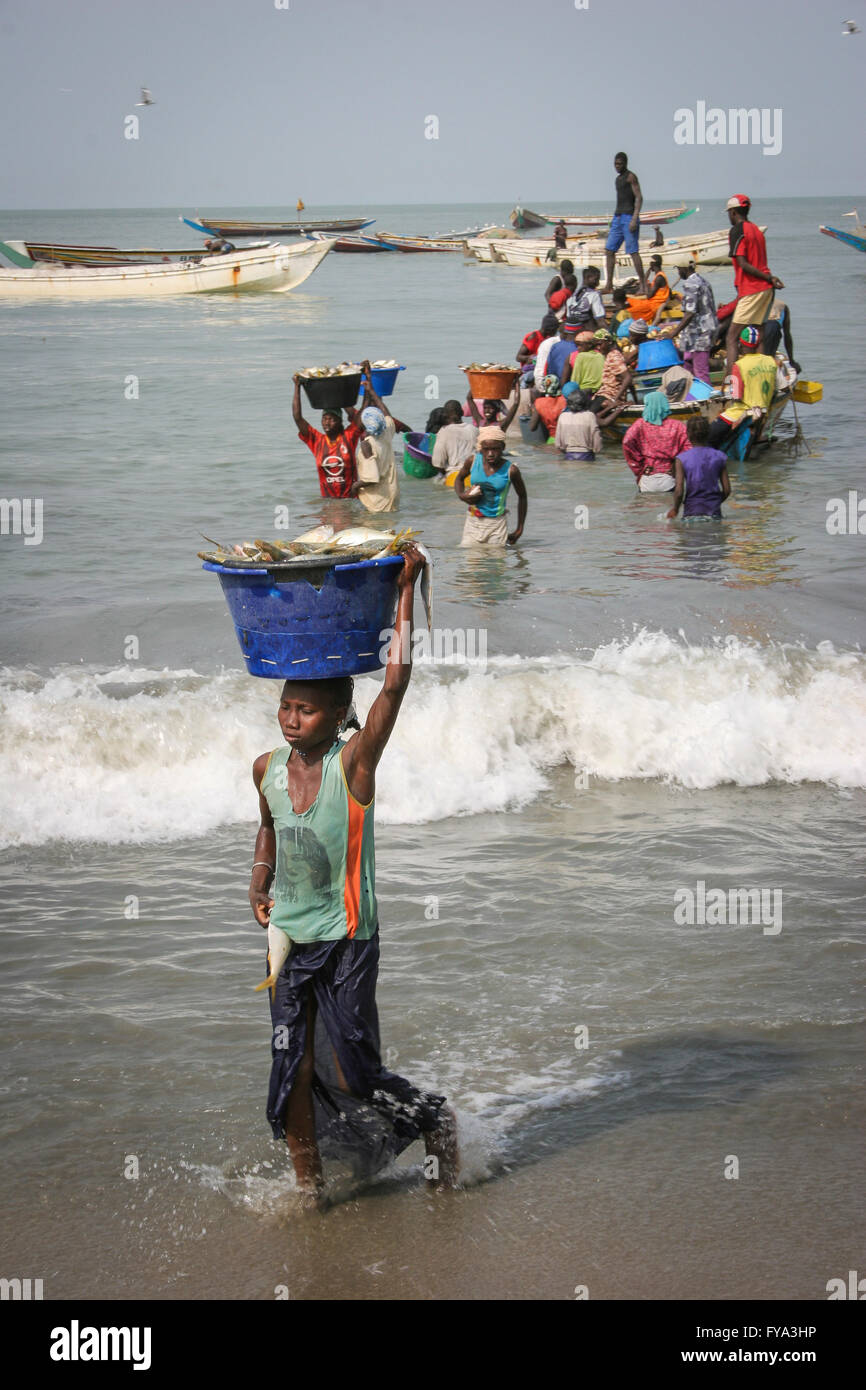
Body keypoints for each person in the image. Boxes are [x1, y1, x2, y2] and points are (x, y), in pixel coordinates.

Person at [249, 553, 459, 1206]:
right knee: (294, 1070)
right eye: (286, 706)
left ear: (340, 717)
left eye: (306, 710)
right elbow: (267, 829)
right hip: (288, 941)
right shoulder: (263, 768)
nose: (291, 718)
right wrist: (258, 883)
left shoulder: (355, 766)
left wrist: (402, 595)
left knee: (358, 1070)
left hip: (347, 940)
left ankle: (435, 1119)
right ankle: (309, 1189)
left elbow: (393, 686)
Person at [725, 194, 784, 372]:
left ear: (733, 212)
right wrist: (769, 279)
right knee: (759, 335)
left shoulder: (738, 230)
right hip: (766, 289)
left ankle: (730, 383)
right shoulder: (756, 230)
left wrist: (768, 278)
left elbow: (743, 263)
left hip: (753, 288)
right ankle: (762, 375)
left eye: (729, 213)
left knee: (732, 337)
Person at [293, 370, 364, 499]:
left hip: (350, 501)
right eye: (324, 418)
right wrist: (297, 387)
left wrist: (367, 385)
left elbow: (361, 417)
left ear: (339, 421)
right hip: (328, 502)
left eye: (331, 419)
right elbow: (298, 418)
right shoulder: (316, 441)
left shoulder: (348, 437)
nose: (327, 423)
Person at [455, 425, 527, 546]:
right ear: (481, 449)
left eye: (495, 449)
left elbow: (523, 496)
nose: (490, 454)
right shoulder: (472, 462)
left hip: (497, 525)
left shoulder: (511, 470)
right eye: (486, 449)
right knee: (471, 561)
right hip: (473, 522)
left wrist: (519, 529)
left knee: (496, 563)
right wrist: (462, 495)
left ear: (503, 448)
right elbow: (459, 479)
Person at [709, 325, 778, 450]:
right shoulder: (771, 361)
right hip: (762, 411)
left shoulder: (739, 365)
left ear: (741, 344)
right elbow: (775, 389)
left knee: (709, 435)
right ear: (758, 344)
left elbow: (736, 396)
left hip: (742, 412)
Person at [351, 384, 411, 513]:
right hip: (392, 494)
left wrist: (355, 486)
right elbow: (387, 415)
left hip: (377, 501)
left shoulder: (367, 445)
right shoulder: (387, 433)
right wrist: (372, 391)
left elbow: (371, 478)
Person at [660, 262, 718, 383]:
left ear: (684, 268)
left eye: (679, 269)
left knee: (700, 371)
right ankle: (691, 397)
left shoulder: (691, 284)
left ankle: (705, 399)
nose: (678, 273)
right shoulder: (703, 281)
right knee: (688, 369)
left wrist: (673, 333)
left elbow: (690, 313)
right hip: (698, 332)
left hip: (699, 333)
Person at [622, 390, 689, 492]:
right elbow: (688, 448)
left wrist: (638, 466)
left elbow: (627, 442)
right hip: (670, 477)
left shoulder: (640, 425)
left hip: (647, 477)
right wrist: (677, 466)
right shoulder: (678, 426)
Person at [667, 415, 731, 520]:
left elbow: (679, 492)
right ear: (708, 433)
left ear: (688, 434)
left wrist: (676, 509)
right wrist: (714, 503)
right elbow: (727, 490)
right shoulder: (720, 456)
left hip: (691, 512)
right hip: (714, 513)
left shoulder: (681, 459)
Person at [603, 152, 645, 294]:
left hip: (629, 217)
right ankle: (609, 284)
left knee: (633, 251)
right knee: (609, 250)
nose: (617, 166)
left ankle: (643, 285)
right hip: (618, 217)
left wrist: (634, 218)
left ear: (625, 163)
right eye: (615, 164)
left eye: (620, 164)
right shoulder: (617, 179)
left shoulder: (630, 177)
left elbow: (639, 198)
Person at [591, 334, 635, 424]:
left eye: (600, 344)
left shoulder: (614, 356)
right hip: (605, 395)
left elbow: (627, 378)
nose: (598, 348)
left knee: (591, 418)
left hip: (608, 395)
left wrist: (614, 400)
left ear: (609, 342)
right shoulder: (610, 355)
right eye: (596, 346)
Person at [431, 399, 478, 477]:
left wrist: (444, 474)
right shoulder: (474, 430)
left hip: (454, 476)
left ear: (445, 415)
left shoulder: (443, 432)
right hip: (474, 474)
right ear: (462, 413)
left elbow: (437, 463)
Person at [554, 388, 603, 460]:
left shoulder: (563, 416)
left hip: (568, 457)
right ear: (586, 402)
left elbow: (558, 444)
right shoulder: (590, 416)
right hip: (587, 457)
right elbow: (597, 443)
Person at [625, 255, 670, 324]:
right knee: (629, 300)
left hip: (654, 304)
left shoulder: (659, 278)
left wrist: (634, 296)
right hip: (651, 301)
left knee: (630, 310)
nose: (649, 266)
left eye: (650, 264)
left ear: (653, 264)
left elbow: (649, 296)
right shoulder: (658, 275)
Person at [761, 299, 800, 371]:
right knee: (769, 358)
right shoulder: (782, 306)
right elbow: (787, 335)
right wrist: (791, 360)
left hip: (762, 331)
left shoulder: (751, 302)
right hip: (773, 331)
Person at [564, 266, 606, 332]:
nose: (598, 283)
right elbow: (600, 320)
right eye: (596, 280)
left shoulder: (572, 296)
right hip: (588, 334)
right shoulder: (594, 295)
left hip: (572, 333)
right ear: (588, 278)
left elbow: (568, 318)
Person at [533, 313, 562, 384]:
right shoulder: (533, 336)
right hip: (532, 366)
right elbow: (519, 357)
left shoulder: (549, 340)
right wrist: (530, 358)